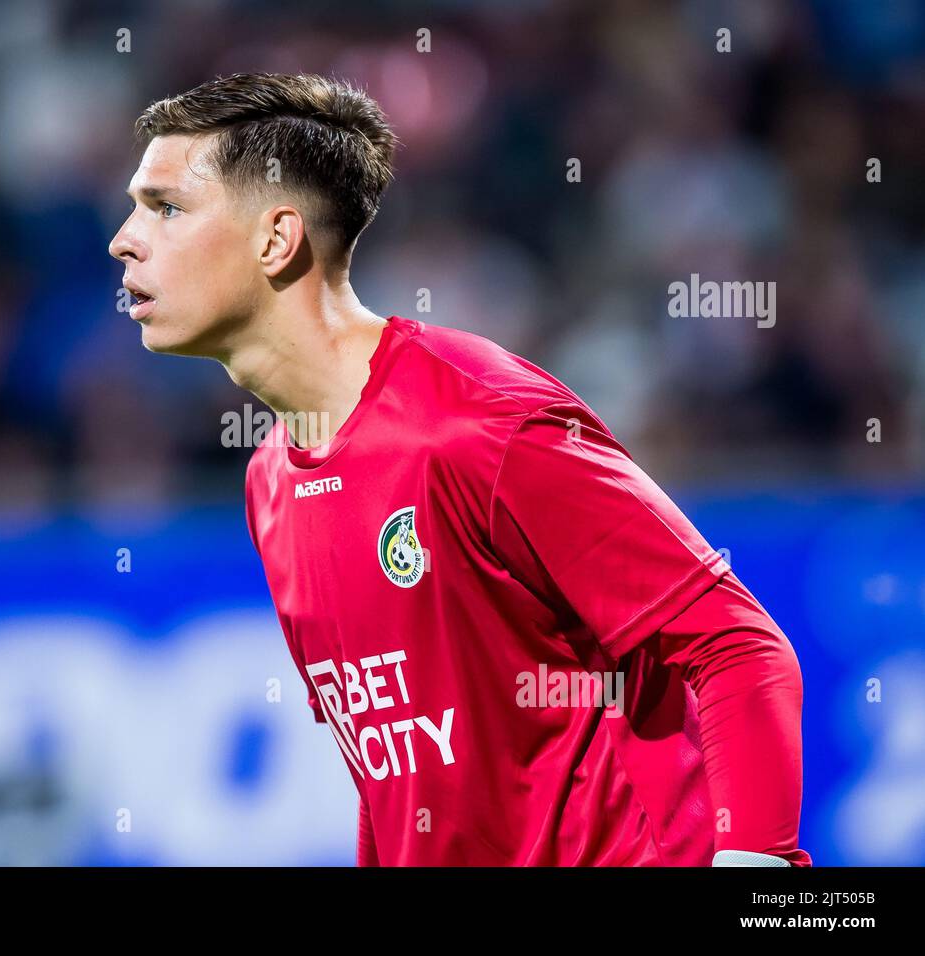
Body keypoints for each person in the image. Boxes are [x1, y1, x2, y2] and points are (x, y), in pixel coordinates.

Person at [108, 71, 810, 866]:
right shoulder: (271, 480)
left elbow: (737, 648)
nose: (124, 238)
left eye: (166, 207)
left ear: (276, 239)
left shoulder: (476, 421)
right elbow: (395, 778)